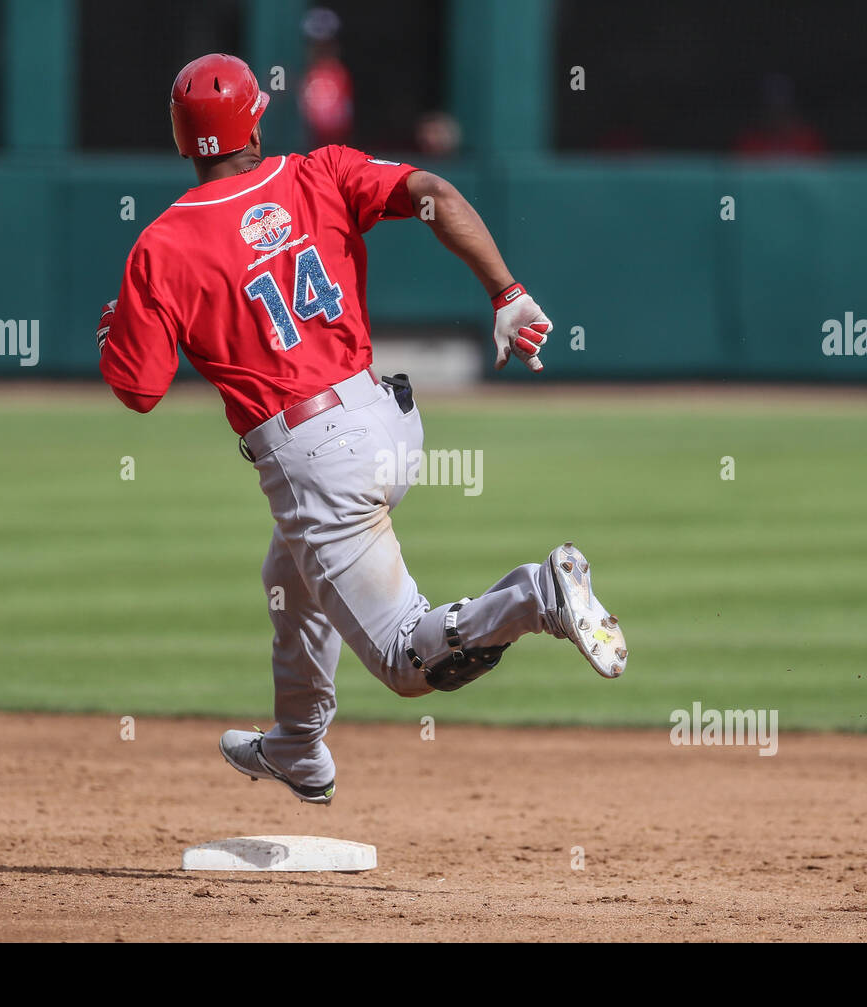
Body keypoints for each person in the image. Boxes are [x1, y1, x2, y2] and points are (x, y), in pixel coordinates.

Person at [96, 54, 627, 806]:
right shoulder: (319, 172)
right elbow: (434, 192)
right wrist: (505, 292)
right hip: (386, 421)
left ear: (181, 138)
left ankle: (537, 596)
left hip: (314, 459)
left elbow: (139, 388)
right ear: (256, 118)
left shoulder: (162, 244)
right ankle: (298, 744)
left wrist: (115, 327)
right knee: (290, 578)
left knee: (409, 659)